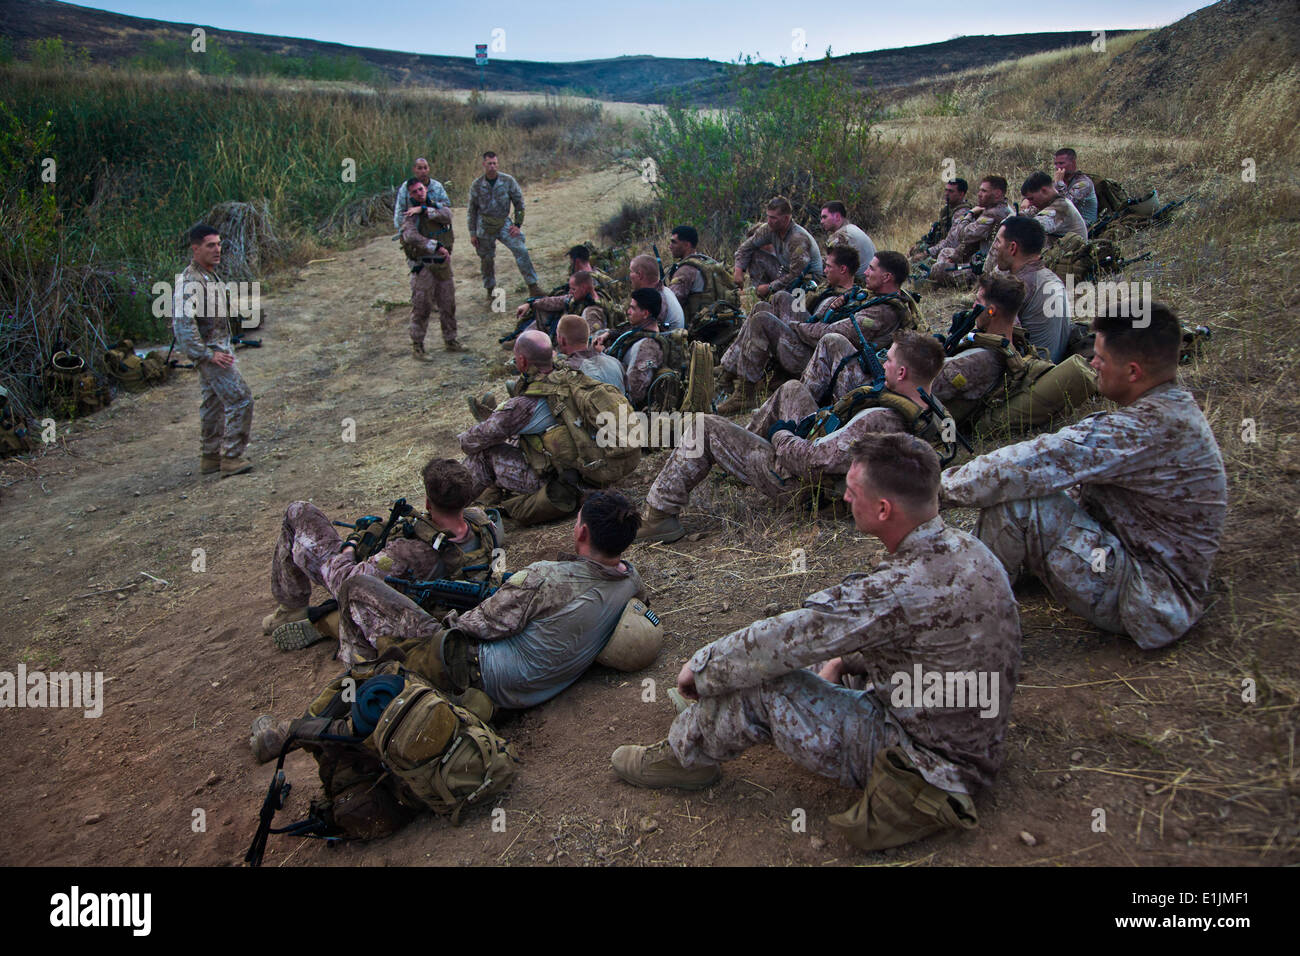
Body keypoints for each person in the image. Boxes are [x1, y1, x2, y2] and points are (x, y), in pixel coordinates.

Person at [612, 433, 1021, 853]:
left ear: (883, 509)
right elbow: (909, 637)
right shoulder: (970, 549)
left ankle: (685, 758)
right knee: (798, 660)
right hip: (965, 733)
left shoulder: (897, 587)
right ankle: (717, 708)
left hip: (925, 762)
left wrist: (702, 668)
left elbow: (791, 637)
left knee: (766, 681)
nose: (844, 497)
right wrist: (844, 659)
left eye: (854, 491)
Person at [940, 302, 1227, 650]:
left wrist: (936, 489)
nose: (1093, 364)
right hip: (1149, 576)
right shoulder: (1171, 410)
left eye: (1101, 359)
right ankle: (968, 574)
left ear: (1133, 372)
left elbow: (1033, 461)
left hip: (1148, 598)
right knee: (1029, 492)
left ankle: (955, 611)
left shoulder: (1143, 428)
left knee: (1017, 504)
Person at [331, 492, 646, 707]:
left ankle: (358, 681)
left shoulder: (545, 578)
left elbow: (472, 627)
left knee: (357, 587)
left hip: (481, 679)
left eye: (577, 522)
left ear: (582, 533)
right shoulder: (631, 581)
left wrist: (441, 614)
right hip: (537, 685)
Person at [638, 331, 946, 543]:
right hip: (825, 450)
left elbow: (813, 462)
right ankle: (734, 456)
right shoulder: (928, 407)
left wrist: (781, 435)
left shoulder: (880, 420)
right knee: (792, 390)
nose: (883, 363)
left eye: (889, 360)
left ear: (903, 373)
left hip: (801, 485)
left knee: (704, 426)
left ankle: (658, 516)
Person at [260, 458, 502, 655]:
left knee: (299, 511)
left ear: (428, 502)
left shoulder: (410, 552)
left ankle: (293, 608)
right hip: (428, 604)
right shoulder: (481, 522)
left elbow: (347, 582)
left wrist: (350, 547)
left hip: (396, 612)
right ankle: (327, 620)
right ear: (466, 498)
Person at [716, 249, 917, 415]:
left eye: (871, 269)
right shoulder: (871, 295)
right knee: (778, 299)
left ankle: (745, 394)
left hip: (822, 359)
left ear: (887, 277)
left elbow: (833, 333)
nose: (865, 272)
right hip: (814, 338)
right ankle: (730, 370)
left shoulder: (883, 311)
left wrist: (796, 326)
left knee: (762, 321)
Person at [171, 224, 254, 477]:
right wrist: (206, 355)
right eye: (210, 245)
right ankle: (231, 458)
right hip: (212, 355)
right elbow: (183, 326)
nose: (217, 250)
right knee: (241, 399)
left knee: (214, 403)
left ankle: (210, 457)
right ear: (196, 249)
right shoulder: (190, 281)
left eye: (219, 244)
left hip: (216, 350)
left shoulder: (208, 276)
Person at [989, 216, 1071, 362]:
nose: (995, 247)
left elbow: (1001, 342)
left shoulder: (1018, 286)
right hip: (1053, 367)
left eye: (998, 241)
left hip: (1031, 373)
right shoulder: (1051, 277)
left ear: (1013, 248)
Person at [467, 151, 544, 302]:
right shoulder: (477, 185)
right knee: (486, 259)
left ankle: (533, 286)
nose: (492, 166)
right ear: (484, 164)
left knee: (521, 250)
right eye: (489, 163)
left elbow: (519, 203)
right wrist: (472, 233)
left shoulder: (507, 181)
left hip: (504, 223)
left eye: (495, 163)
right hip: (484, 226)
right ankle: (490, 290)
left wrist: (517, 225)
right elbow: (472, 210)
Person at [399, 178, 463, 355]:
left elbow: (447, 215)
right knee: (422, 306)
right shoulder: (410, 217)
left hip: (442, 266)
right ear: (409, 195)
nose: (419, 194)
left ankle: (451, 340)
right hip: (424, 266)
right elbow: (411, 237)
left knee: (448, 303)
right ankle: (417, 344)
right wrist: (435, 246)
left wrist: (426, 209)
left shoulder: (435, 206)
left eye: (421, 189)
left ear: (426, 189)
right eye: (414, 192)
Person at [919, 176, 1012, 288]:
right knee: (946, 252)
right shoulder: (1001, 209)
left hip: (983, 271)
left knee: (937, 269)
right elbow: (970, 243)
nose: (979, 194)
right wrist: (955, 256)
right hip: (981, 262)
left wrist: (969, 214)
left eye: (984, 191)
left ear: (997, 194)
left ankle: (935, 279)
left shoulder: (993, 214)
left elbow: (963, 235)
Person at [733, 195, 824, 298]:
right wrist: (739, 269)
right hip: (786, 273)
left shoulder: (797, 238)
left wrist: (770, 287)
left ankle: (771, 296)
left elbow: (797, 275)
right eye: (768, 216)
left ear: (786, 219)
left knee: (793, 286)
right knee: (755, 255)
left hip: (807, 281)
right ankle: (764, 298)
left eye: (773, 218)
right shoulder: (769, 229)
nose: (769, 221)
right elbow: (746, 247)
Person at [514, 270, 612, 339]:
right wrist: (530, 304)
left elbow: (589, 342)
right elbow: (553, 302)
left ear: (584, 288)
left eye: (573, 289)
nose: (570, 292)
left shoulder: (592, 312)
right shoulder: (579, 298)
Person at [664, 225, 730, 322]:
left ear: (686, 245)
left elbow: (671, 304)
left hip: (696, 328)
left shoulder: (686, 270)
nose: (670, 246)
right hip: (717, 322)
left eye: (674, 242)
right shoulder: (708, 262)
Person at [556, 313, 626, 393]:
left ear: (562, 340)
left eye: (557, 335)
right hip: (622, 405)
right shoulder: (615, 362)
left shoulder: (567, 371)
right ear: (586, 336)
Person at [1018, 171, 1088, 248]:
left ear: (1044, 191)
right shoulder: (1047, 203)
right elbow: (1025, 214)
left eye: (1031, 199)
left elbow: (1033, 228)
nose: (1030, 203)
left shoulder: (1061, 207)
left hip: (1072, 257)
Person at [911, 179, 971, 258]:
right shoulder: (948, 210)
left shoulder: (962, 213)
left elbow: (951, 242)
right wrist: (918, 246)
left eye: (951, 191)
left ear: (961, 194)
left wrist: (926, 253)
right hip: (940, 248)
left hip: (951, 255)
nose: (946, 194)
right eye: (946, 190)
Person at [819, 200, 876, 280]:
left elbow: (828, 264)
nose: (822, 221)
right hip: (870, 278)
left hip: (860, 282)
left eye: (825, 217)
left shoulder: (841, 235)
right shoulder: (853, 228)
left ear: (837, 217)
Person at [627, 254, 684, 331]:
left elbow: (646, 332)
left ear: (640, 275)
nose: (629, 275)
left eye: (631, 271)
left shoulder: (656, 301)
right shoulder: (663, 291)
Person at [393, 157, 451, 231]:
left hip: (435, 224)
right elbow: (400, 211)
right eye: (419, 168)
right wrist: (402, 228)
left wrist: (426, 208)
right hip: (414, 226)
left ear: (428, 169)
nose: (423, 171)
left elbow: (446, 205)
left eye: (425, 168)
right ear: (414, 169)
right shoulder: (405, 188)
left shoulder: (437, 186)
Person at [1053, 148, 1098, 226]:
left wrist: (1059, 183)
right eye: (1056, 164)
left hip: (1084, 225)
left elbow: (1067, 204)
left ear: (1073, 163)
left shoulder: (1084, 183)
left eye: (1061, 163)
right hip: (1067, 220)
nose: (1058, 167)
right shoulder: (1062, 180)